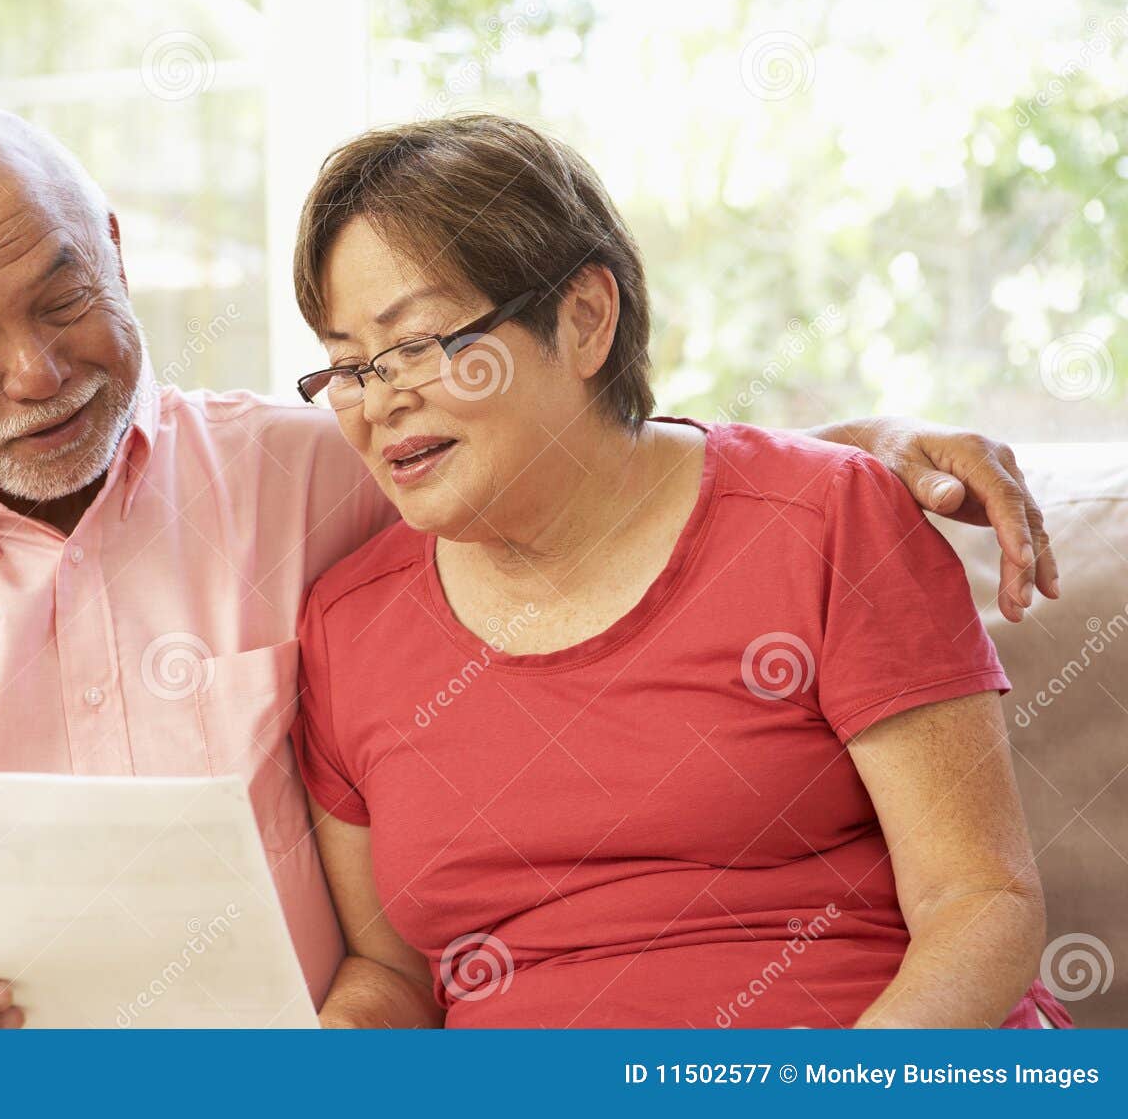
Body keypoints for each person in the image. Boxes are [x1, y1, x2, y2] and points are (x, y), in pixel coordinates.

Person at [0, 105, 1059, 1028]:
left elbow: (592, 458)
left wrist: (871, 451)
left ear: (116, 257)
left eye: (65, 298)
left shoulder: (310, 468)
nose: (38, 372)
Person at [289, 113, 1070, 1028]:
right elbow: (391, 972)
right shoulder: (346, 624)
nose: (379, 400)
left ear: (585, 318)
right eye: (348, 366)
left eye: (418, 344)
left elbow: (979, 899)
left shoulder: (831, 517)